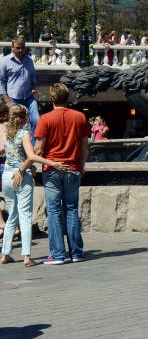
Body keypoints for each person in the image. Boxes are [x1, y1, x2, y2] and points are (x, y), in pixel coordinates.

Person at [34, 83, 91, 264]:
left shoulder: (45, 119)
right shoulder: (80, 117)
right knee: (72, 209)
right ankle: (76, 252)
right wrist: (81, 166)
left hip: (52, 168)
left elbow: (39, 148)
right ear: (68, 98)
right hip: (73, 168)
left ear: (51, 98)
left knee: (54, 211)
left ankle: (57, 254)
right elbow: (84, 147)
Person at [0, 105, 63, 267]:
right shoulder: (24, 134)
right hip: (21, 177)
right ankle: (27, 256)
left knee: (12, 215)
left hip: (7, 176)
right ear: (24, 118)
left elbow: (8, 153)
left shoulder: (6, 134)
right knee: (25, 216)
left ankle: (5, 254)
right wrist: (53, 163)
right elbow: (32, 156)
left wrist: (28, 165)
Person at [0, 36, 39, 137]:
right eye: (18, 48)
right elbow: (1, 82)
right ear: (12, 47)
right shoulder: (4, 61)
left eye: (23, 47)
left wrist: (34, 87)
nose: (21, 50)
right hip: (13, 98)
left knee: (37, 120)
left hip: (28, 97)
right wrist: (7, 101)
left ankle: (35, 146)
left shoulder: (29, 60)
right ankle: (13, 147)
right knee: (15, 124)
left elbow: (32, 76)